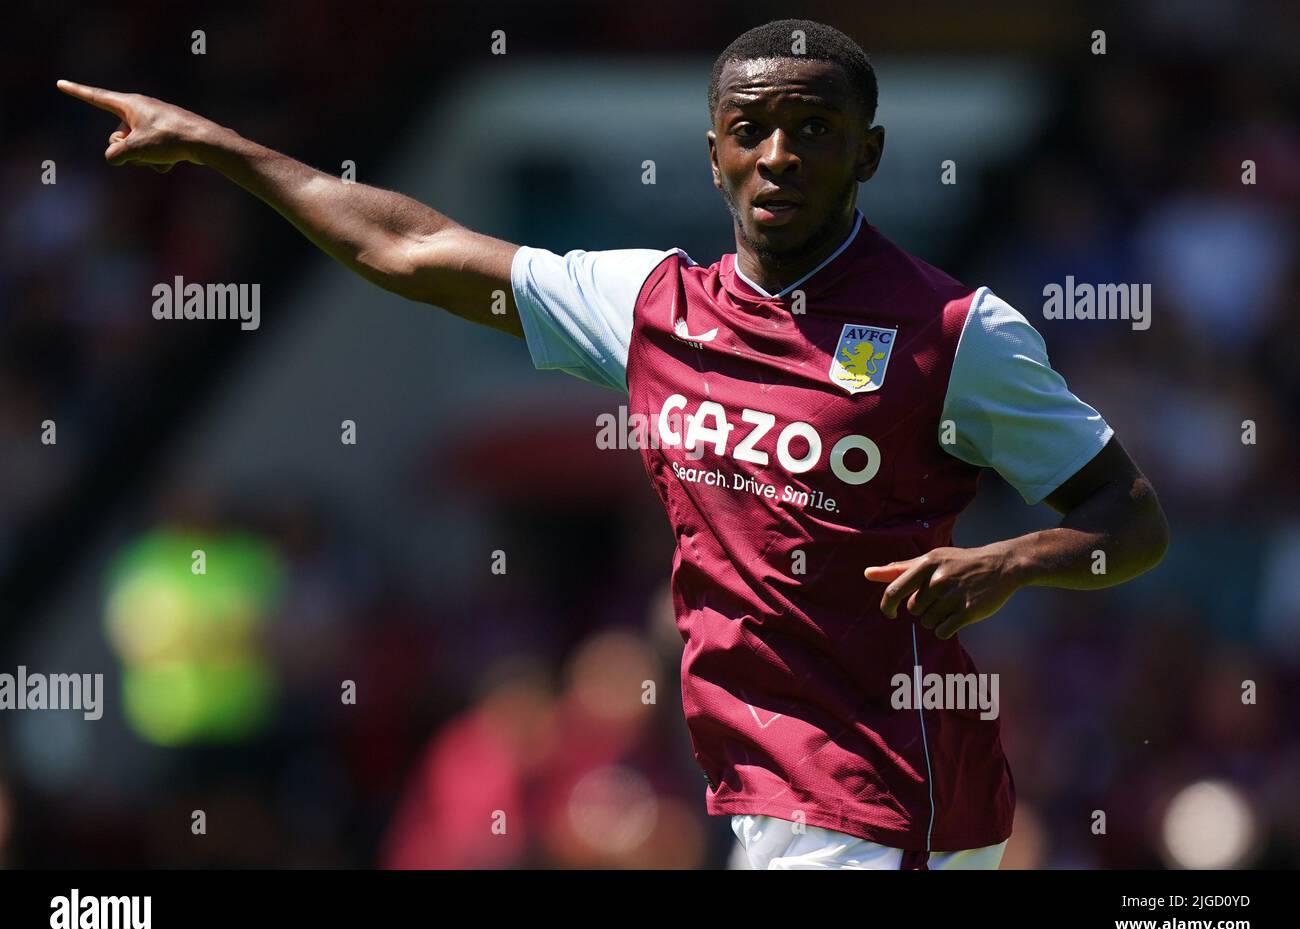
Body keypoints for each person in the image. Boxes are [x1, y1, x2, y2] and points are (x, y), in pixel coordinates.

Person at [58, 18, 1169, 870]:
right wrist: (218, 149)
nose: (781, 153)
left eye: (815, 129)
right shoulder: (646, 302)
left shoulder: (953, 333)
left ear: (867, 150)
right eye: (753, 130)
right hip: (766, 778)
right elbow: (412, 244)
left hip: (880, 780)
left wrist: (1005, 563)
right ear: (714, 150)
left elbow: (1132, 519)